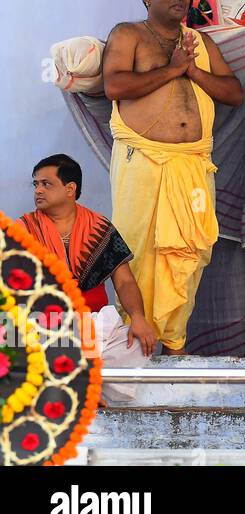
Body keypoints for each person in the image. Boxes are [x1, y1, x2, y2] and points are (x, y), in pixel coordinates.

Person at [101, 0, 243, 355]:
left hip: (192, 167)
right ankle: (132, 348)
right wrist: (171, 70)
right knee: (136, 254)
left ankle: (175, 346)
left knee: (188, 256)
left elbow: (234, 93)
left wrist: (193, 71)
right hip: (142, 162)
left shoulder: (200, 43)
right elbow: (114, 85)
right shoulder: (128, 35)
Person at [21, 154, 155, 403]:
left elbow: (124, 281)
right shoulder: (23, 230)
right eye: (35, 184)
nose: (38, 190)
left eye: (46, 184)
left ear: (70, 189)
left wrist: (137, 316)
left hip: (94, 325)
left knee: (134, 344)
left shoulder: (100, 227)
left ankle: (81, 390)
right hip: (45, 324)